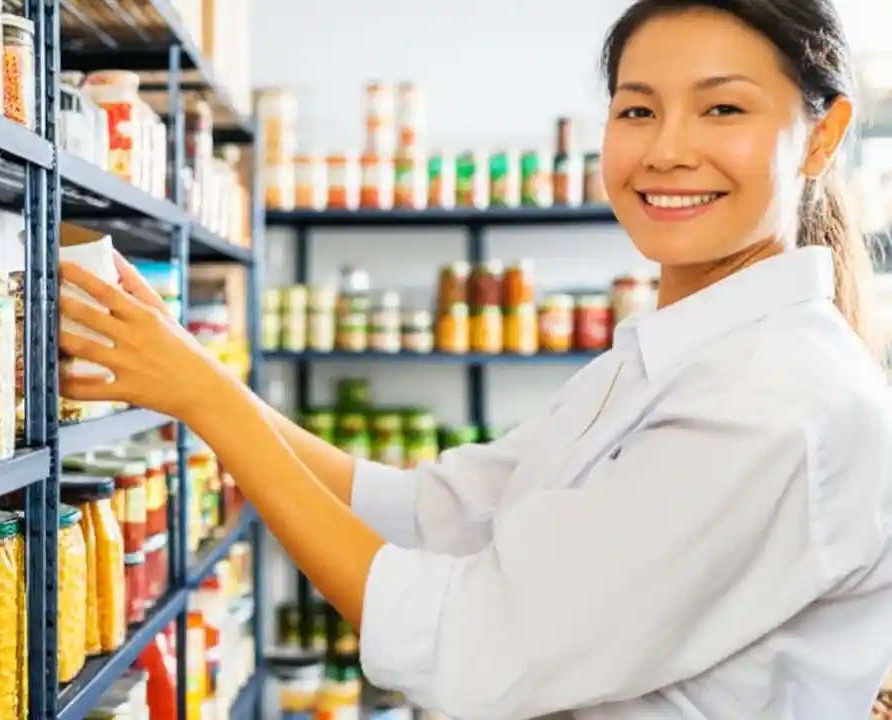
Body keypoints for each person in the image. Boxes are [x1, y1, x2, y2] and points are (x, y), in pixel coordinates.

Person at [58, 0, 892, 716]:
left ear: (822, 136)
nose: (668, 150)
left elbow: (472, 643)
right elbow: (433, 513)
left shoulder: (781, 400)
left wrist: (207, 399)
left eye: (723, 110)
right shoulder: (669, 357)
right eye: (638, 110)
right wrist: (195, 378)